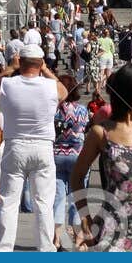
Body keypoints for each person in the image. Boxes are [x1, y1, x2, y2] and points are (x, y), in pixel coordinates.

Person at [71, 63, 132, 251]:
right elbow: (77, 177)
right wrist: (85, 219)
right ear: (131, 90)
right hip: (114, 227)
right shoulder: (101, 133)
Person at [0, 42, 67, 252]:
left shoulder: (8, 84)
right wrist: (46, 70)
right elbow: (64, 92)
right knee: (44, 203)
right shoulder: (50, 86)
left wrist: (10, 68)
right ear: (41, 63)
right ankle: (46, 248)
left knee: (8, 201)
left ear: (20, 61)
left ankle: (3, 249)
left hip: (15, 146)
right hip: (43, 146)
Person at [51, 73, 88, 249]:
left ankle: (57, 238)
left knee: (58, 197)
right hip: (77, 155)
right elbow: (84, 129)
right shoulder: (82, 110)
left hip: (56, 154)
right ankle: (78, 237)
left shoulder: (54, 110)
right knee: (77, 197)